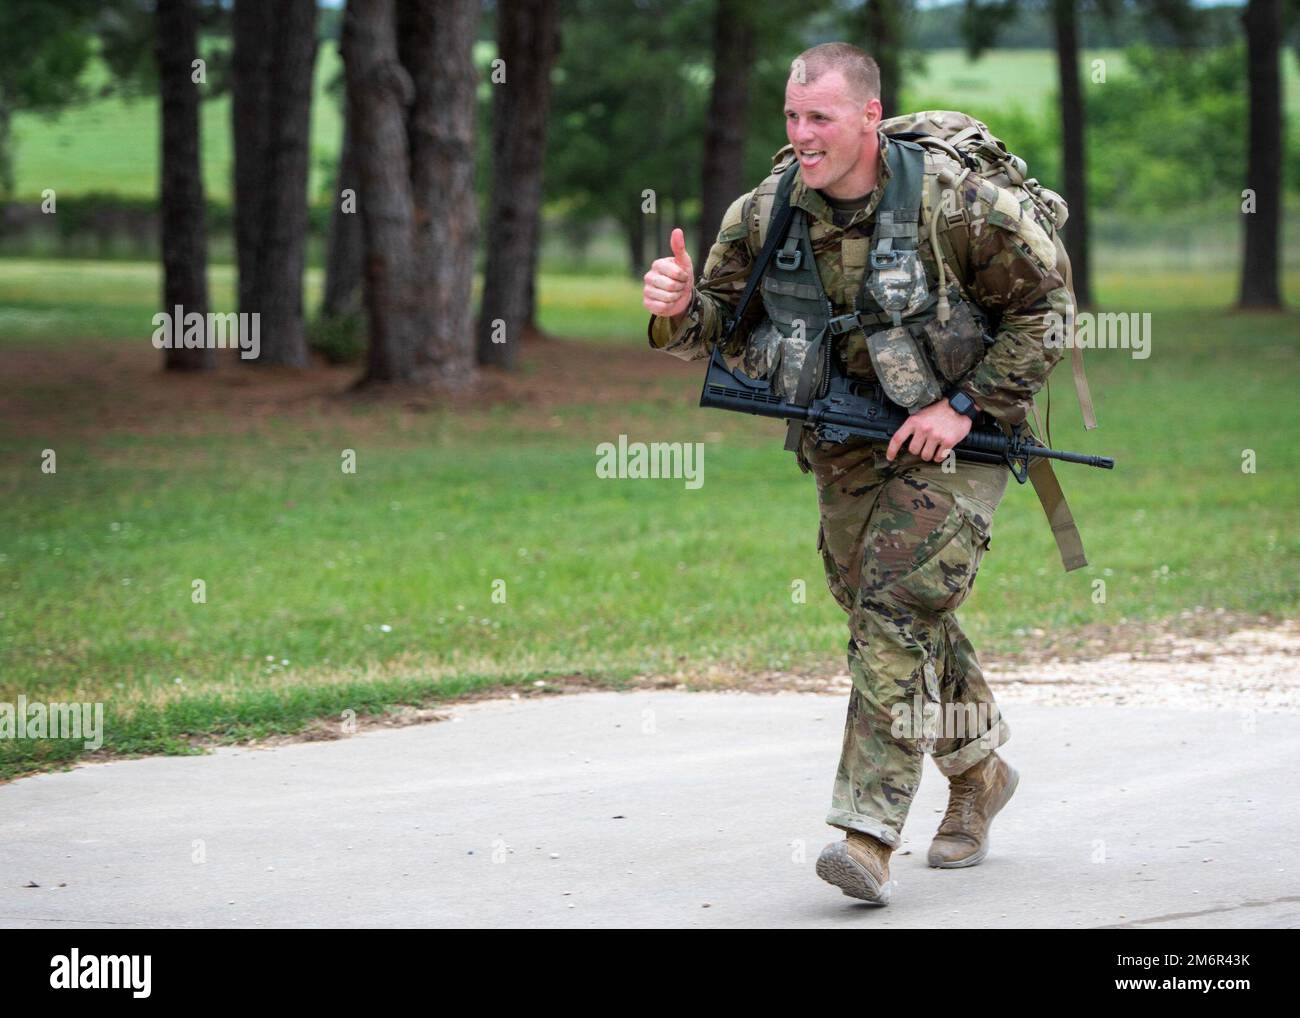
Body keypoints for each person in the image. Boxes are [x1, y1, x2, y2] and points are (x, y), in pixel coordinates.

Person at [643, 42, 1073, 906]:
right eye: (793, 117)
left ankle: (867, 835)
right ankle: (980, 767)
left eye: (822, 118)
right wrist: (681, 307)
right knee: (892, 609)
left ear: (869, 116)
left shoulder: (958, 205)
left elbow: (1047, 306)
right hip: (843, 443)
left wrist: (964, 406)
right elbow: (723, 329)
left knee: (891, 610)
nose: (803, 135)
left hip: (959, 440)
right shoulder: (769, 210)